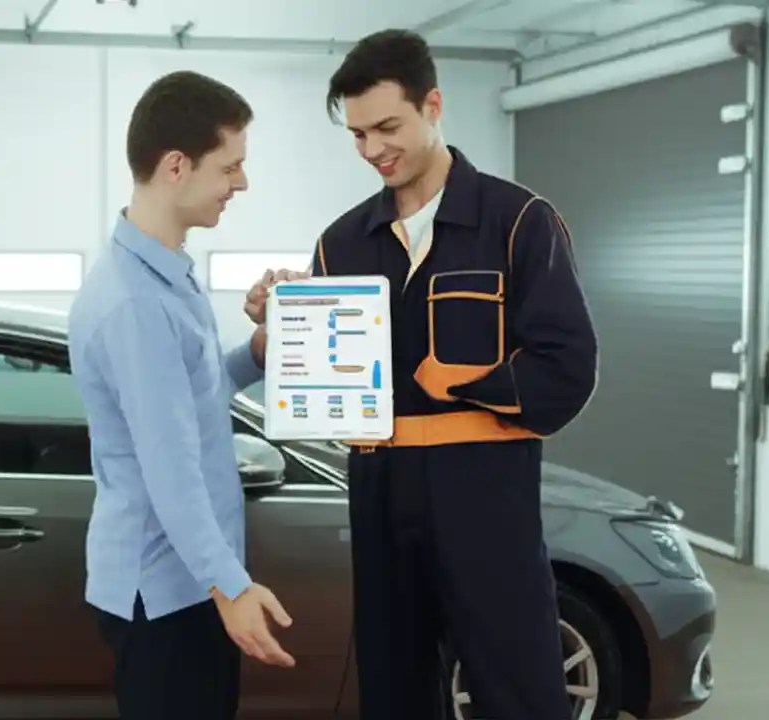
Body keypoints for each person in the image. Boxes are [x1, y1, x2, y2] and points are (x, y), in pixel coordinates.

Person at [244, 29, 598, 720]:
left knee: (516, 685)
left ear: (432, 105)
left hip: (485, 491)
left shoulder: (518, 221)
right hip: (379, 492)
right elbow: (318, 380)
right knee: (394, 685)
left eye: (387, 127)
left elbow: (568, 369)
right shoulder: (340, 242)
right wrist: (276, 323)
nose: (373, 150)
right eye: (357, 135)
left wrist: (466, 381)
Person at [67, 70, 297, 720]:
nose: (241, 183)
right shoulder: (134, 303)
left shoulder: (166, 277)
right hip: (166, 589)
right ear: (176, 165)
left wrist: (258, 350)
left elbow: (197, 395)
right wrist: (232, 586)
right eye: (232, 166)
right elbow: (171, 471)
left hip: (186, 582)